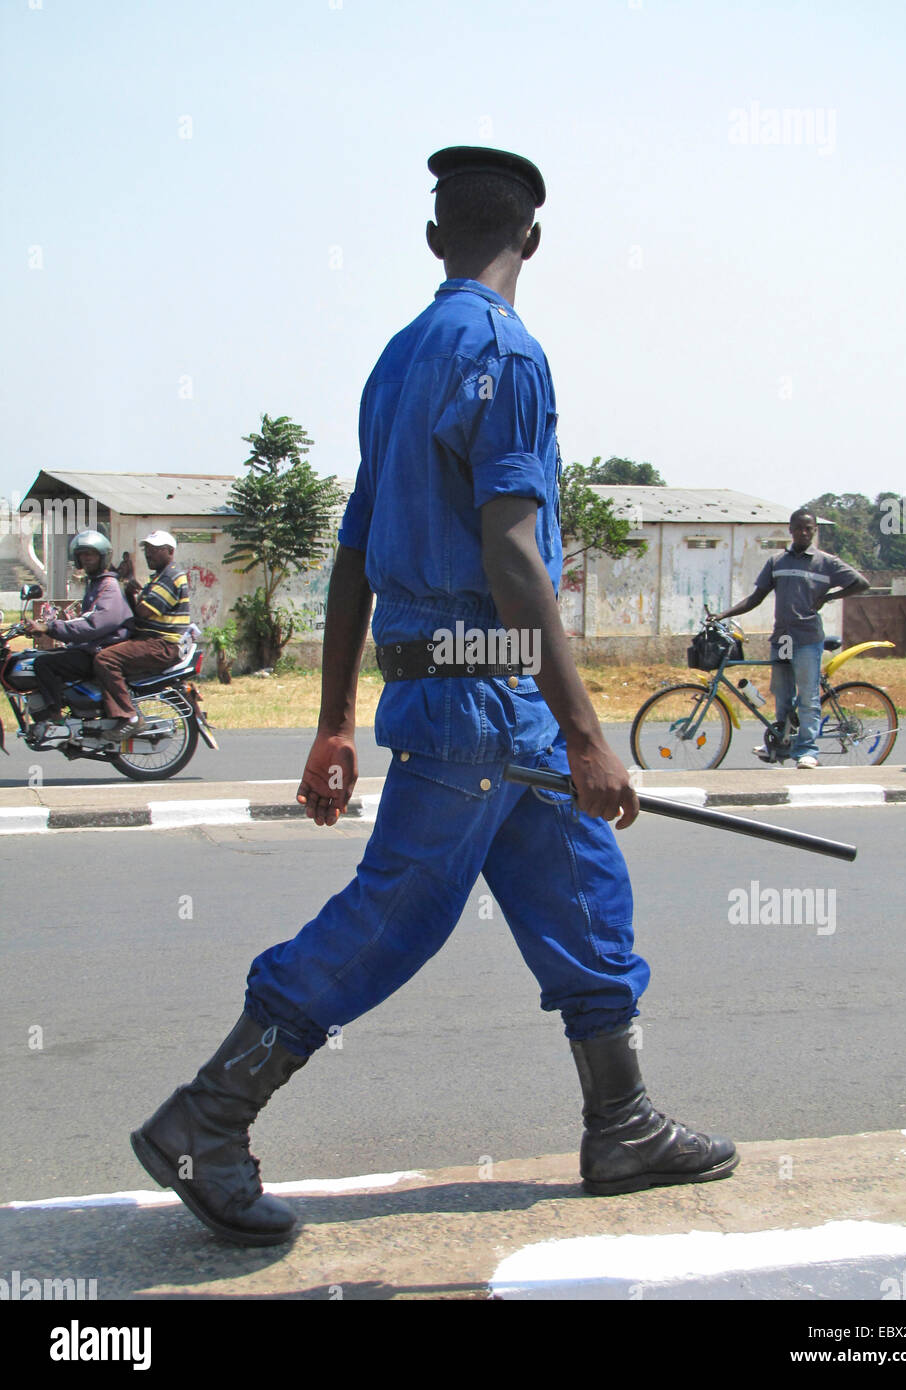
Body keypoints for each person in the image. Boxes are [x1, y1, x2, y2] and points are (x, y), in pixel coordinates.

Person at [130, 146, 738, 1248]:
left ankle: (624, 1121)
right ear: (534, 240)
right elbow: (514, 555)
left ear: (433, 238)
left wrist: (330, 721)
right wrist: (589, 733)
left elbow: (355, 547)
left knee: (583, 892)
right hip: (487, 701)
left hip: (461, 694)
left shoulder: (401, 355)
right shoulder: (508, 352)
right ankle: (204, 1118)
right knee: (396, 918)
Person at [712, 509, 869, 767]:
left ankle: (808, 750)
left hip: (807, 638)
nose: (804, 532)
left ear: (815, 530)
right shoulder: (777, 562)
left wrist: (828, 597)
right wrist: (723, 614)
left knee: (808, 697)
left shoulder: (826, 562)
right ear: (790, 530)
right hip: (782, 640)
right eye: (799, 528)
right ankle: (782, 744)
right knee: (783, 695)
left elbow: (861, 583)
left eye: (809, 528)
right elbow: (755, 598)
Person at [23, 530, 132, 741]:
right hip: (92, 647)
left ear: (103, 556)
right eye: (82, 555)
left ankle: (54, 720)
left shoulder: (108, 587)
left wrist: (49, 628)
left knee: (44, 664)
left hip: (104, 648)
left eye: (91, 554)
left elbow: (92, 624)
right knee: (41, 657)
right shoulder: (95, 583)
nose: (86, 559)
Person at [92, 531, 190, 736]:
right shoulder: (159, 578)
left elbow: (143, 612)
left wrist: (129, 585)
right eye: (147, 549)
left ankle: (129, 716)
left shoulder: (171, 577)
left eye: (155, 550)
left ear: (170, 552)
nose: (149, 554)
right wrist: (129, 586)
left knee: (106, 659)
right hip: (152, 641)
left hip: (161, 644)